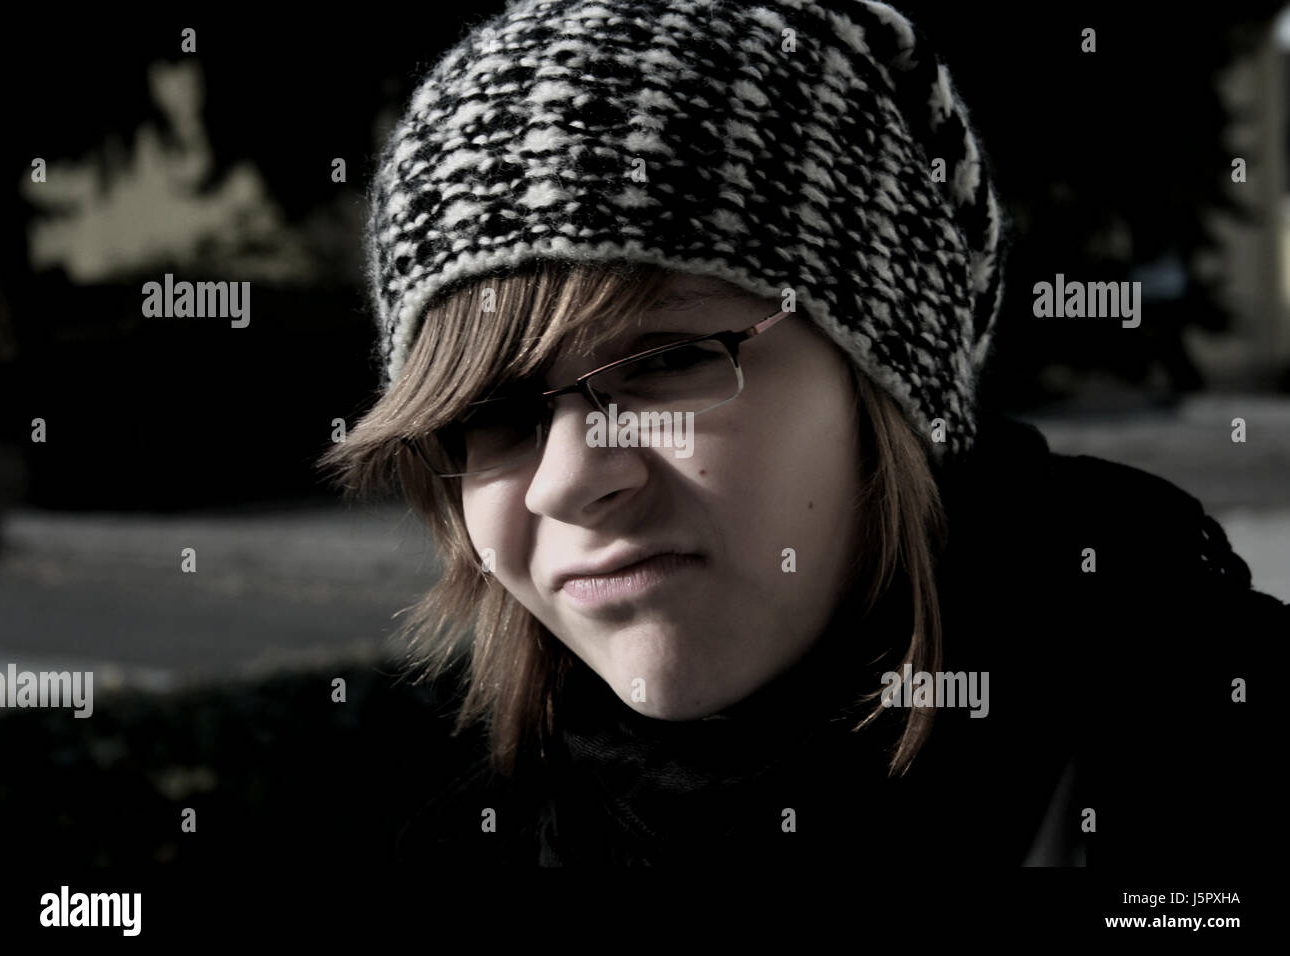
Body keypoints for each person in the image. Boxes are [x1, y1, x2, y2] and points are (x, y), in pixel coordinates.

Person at [319, 0, 1287, 868]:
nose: (566, 480)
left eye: (665, 359)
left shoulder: (1206, 751)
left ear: (886, 380)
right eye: (493, 413)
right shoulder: (441, 818)